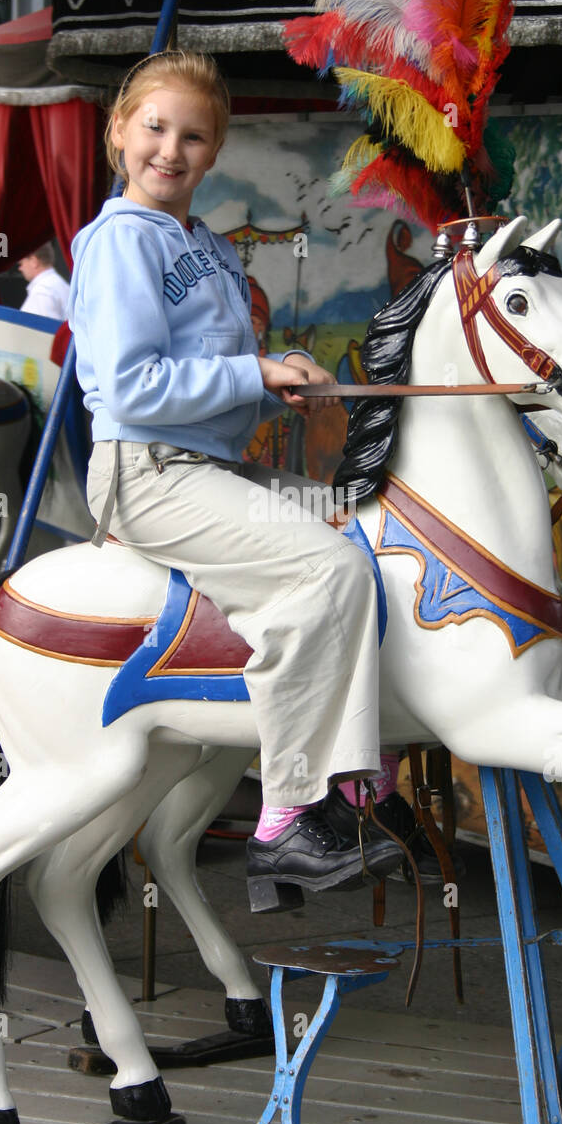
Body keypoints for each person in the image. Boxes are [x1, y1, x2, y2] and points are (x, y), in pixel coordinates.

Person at [68, 50, 400, 911]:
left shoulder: (206, 247)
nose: (170, 150)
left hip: (207, 464)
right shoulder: (116, 243)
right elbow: (133, 386)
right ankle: (287, 813)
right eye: (154, 127)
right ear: (118, 132)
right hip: (148, 470)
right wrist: (256, 374)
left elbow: (220, 372)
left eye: (193, 136)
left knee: (353, 526)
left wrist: (283, 372)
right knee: (322, 569)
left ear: (214, 153)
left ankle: (356, 759)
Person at [19, 243, 70, 320]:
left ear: (34, 262)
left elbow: (47, 329)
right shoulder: (59, 284)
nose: (20, 268)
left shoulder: (42, 292)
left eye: (21, 263)